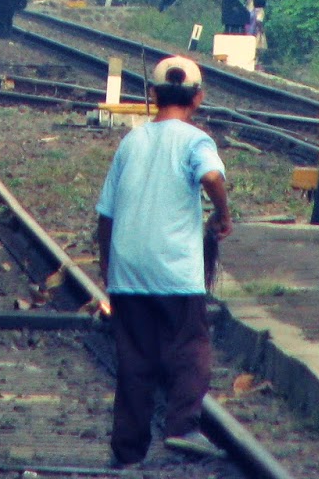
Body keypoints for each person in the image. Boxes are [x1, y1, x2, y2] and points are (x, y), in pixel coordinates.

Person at [95, 55, 232, 467]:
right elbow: (210, 177)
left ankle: (127, 451)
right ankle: (182, 426)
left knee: (134, 362)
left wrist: (109, 271)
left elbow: (106, 215)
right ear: (199, 98)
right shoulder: (196, 141)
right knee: (190, 347)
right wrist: (223, 214)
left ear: (153, 96)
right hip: (175, 271)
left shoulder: (131, 142)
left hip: (128, 271)